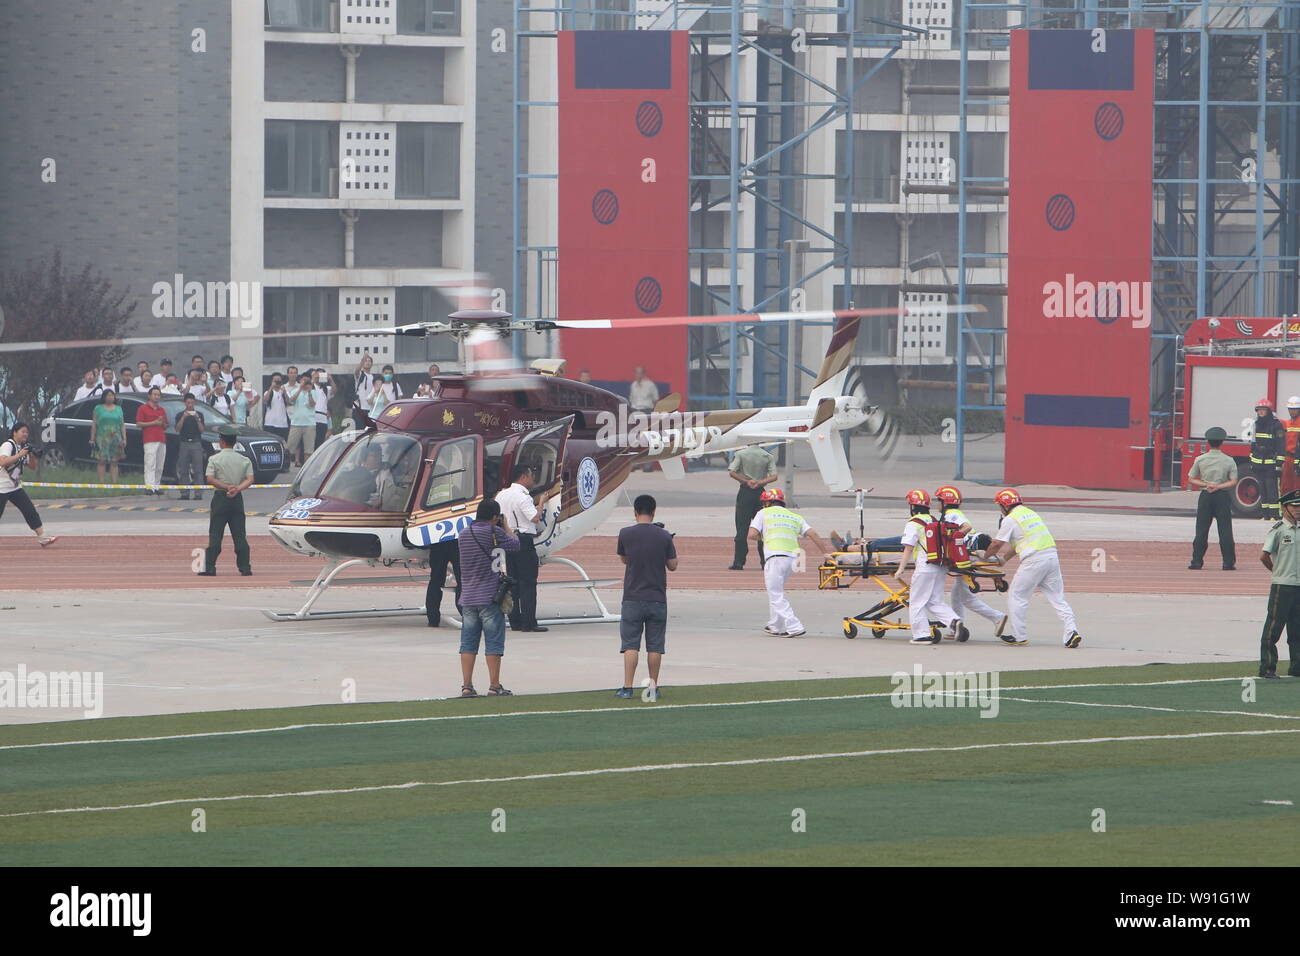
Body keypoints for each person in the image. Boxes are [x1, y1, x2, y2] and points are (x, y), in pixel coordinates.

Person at [983, 488, 1081, 648]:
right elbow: (1018, 544)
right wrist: (1003, 560)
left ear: (1004, 505)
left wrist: (984, 557)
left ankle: (1019, 636)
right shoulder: (1030, 513)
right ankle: (1072, 632)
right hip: (1051, 557)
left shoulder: (1010, 519)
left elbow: (996, 544)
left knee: (1017, 596)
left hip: (1034, 561)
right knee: (1058, 598)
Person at [456, 498, 520, 698]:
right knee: (493, 642)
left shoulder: (463, 534)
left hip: (468, 597)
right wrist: (506, 526)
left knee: (468, 643)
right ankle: (494, 685)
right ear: (495, 517)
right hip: (490, 597)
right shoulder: (494, 532)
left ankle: (467, 686)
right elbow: (515, 545)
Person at [615, 494, 677, 700]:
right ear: (653, 512)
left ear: (635, 512)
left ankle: (627, 687)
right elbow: (673, 565)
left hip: (632, 596)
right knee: (655, 645)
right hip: (657, 596)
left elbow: (625, 559)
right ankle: (653, 687)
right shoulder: (664, 535)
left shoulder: (625, 533)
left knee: (630, 645)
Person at [747, 487, 827, 638]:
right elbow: (813, 534)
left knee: (775, 594)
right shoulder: (794, 516)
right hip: (794, 559)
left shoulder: (763, 513)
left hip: (775, 557)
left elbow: (751, 535)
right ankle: (775, 625)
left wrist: (763, 537)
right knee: (776, 591)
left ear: (767, 503)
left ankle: (794, 625)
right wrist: (825, 553)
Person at [892, 489, 970, 645]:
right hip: (940, 565)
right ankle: (954, 621)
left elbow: (908, 547)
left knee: (917, 602)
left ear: (912, 507)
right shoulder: (934, 520)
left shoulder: (914, 523)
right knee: (935, 600)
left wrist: (900, 569)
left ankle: (922, 635)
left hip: (925, 567)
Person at [934, 485, 1007, 637]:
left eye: (938, 500)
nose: (936, 503)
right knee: (957, 594)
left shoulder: (951, 514)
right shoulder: (951, 514)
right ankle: (956, 627)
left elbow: (967, 526)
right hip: (968, 553)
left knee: (964, 597)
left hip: (968, 554)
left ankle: (996, 617)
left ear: (945, 502)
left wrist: (952, 539)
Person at [496, 464, 557, 632]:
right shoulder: (523, 497)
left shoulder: (501, 495)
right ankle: (529, 623)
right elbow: (535, 518)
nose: (533, 479)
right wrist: (542, 502)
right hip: (523, 540)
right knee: (528, 583)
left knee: (513, 582)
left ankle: (514, 621)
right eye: (531, 475)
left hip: (508, 539)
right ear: (523, 477)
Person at [197, 425, 253, 577]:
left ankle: (210, 567)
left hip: (221, 497)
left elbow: (210, 478)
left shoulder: (214, 459)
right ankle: (245, 567)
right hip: (237, 499)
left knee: (216, 533)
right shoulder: (244, 459)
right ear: (235, 442)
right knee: (239, 534)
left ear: (221, 441)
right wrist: (237, 488)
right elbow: (250, 479)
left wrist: (226, 487)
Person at [1258, 488, 1300, 679]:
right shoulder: (1278, 530)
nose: (1298, 509)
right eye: (1294, 506)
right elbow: (1264, 556)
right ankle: (1267, 667)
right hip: (1282, 585)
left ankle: (1297, 667)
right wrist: (1276, 571)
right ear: (1285, 508)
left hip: (1298, 585)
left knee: (1297, 628)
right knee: (1274, 628)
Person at [1186, 425, 1237, 571]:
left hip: (1205, 495)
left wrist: (1206, 484)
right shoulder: (1229, 460)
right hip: (1222, 496)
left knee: (1201, 530)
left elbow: (1191, 478)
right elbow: (1233, 481)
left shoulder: (1200, 459)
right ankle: (1228, 562)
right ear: (1222, 442)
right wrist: (1219, 486)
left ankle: (1196, 561)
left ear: (1208, 442)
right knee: (1225, 530)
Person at [0, 422, 57, 547]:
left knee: (30, 511)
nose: (25, 434)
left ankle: (43, 537)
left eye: (27, 432)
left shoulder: (23, 447)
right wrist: (20, 454)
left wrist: (31, 454)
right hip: (1, 486)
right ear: (15, 432)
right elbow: (3, 461)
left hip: (14, 486)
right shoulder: (8, 445)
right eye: (22, 431)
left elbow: (32, 467)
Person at [727, 444, 777, 570]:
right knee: (762, 528)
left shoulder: (740, 454)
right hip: (761, 493)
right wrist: (760, 482)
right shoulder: (767, 456)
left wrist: (746, 481)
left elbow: (732, 472)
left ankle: (739, 562)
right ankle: (764, 561)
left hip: (745, 492)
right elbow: (774, 476)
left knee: (741, 528)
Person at [1249, 399, 1284, 521]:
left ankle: (1275, 514)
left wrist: (1279, 463)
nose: (1261, 412)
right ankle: (1265, 514)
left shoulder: (1276, 424)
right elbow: (1253, 443)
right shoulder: (1256, 424)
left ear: (1268, 411)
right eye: (1259, 410)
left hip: (1271, 462)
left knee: (1272, 489)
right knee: (1262, 489)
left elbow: (1280, 444)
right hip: (1259, 462)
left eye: (1263, 410)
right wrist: (1252, 461)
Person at [137, 387, 168, 496]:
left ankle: (157, 485)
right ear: (149, 396)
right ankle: (149, 487)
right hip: (149, 439)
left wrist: (161, 423)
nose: (156, 397)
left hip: (161, 439)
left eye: (158, 395)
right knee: (150, 463)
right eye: (154, 394)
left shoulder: (161, 410)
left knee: (160, 465)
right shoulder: (143, 408)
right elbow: (139, 423)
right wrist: (153, 422)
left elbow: (166, 425)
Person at [174, 393, 206, 501]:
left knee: (198, 469)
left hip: (196, 443)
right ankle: (184, 493)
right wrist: (183, 417)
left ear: (194, 403)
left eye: (192, 402)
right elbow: (177, 429)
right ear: (185, 403)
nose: (190, 405)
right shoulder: (179, 415)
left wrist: (197, 419)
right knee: (183, 469)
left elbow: (202, 430)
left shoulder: (200, 414)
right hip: (184, 443)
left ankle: (198, 494)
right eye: (188, 403)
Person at [90, 389, 126, 483]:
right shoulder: (98, 408)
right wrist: (92, 438)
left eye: (112, 395)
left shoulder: (119, 408)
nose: (110, 397)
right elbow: (94, 424)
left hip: (116, 437)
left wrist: (124, 438)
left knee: (114, 461)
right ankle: (101, 482)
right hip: (102, 437)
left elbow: (122, 424)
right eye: (108, 395)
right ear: (104, 397)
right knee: (102, 460)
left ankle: (114, 483)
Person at [285, 373, 317, 467]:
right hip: (296, 423)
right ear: (300, 381)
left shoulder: (314, 392)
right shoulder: (295, 390)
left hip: (309, 423)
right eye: (304, 380)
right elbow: (291, 400)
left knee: (308, 449)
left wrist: (310, 392)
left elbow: (312, 404)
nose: (305, 383)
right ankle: (287, 467)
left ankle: (307, 468)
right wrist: (300, 388)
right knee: (290, 447)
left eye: (307, 381)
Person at [263, 373, 289, 440]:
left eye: (279, 381)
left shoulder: (283, 392)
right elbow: (265, 400)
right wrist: (271, 387)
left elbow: (289, 402)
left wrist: (285, 392)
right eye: (275, 380)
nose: (277, 382)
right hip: (270, 423)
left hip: (282, 424)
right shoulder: (268, 392)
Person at [352, 353, 375, 428]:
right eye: (366, 361)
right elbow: (356, 371)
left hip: (370, 409)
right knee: (359, 431)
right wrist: (362, 360)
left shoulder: (374, 377)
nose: (367, 362)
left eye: (369, 361)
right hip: (359, 408)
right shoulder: (360, 375)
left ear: (372, 364)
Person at [312, 369, 334, 448]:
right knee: (311, 442)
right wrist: (314, 378)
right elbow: (309, 386)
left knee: (319, 442)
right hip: (313, 418)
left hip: (323, 419)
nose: (320, 377)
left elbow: (334, 391)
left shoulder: (326, 388)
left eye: (322, 375)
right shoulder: (312, 386)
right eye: (318, 375)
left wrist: (330, 380)